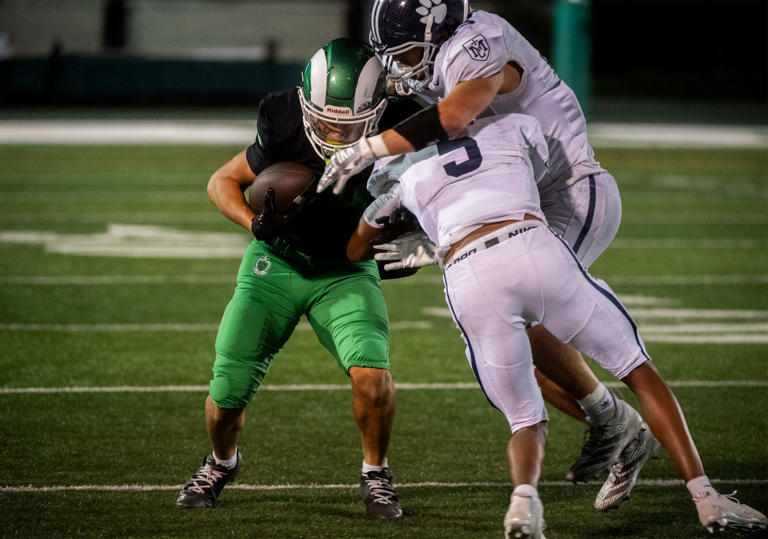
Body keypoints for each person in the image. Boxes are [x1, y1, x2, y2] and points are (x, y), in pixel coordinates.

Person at [347, 112, 768, 538]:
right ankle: (706, 497)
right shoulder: (512, 122)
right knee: (638, 371)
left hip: (467, 271)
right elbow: (544, 177)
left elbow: (357, 250)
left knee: (525, 420)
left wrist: (419, 235)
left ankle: (523, 504)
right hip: (529, 243)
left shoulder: (394, 169)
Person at [318, 0, 656, 510]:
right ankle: (615, 423)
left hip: (570, 192)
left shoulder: (479, 43)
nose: (405, 66)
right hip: (522, 199)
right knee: (512, 331)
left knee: (527, 312)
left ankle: (621, 427)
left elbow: (452, 117)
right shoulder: (445, 53)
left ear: (436, 32)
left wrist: (366, 151)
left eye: (409, 52)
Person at [175, 37, 422, 520]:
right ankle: (222, 462)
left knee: (373, 378)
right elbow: (220, 181)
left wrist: (417, 242)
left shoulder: (406, 126)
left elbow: (445, 193)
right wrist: (255, 225)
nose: (332, 130)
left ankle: (376, 474)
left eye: (345, 122)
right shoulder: (284, 123)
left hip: (347, 271)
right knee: (226, 393)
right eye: (324, 118)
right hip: (277, 262)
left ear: (377, 109)